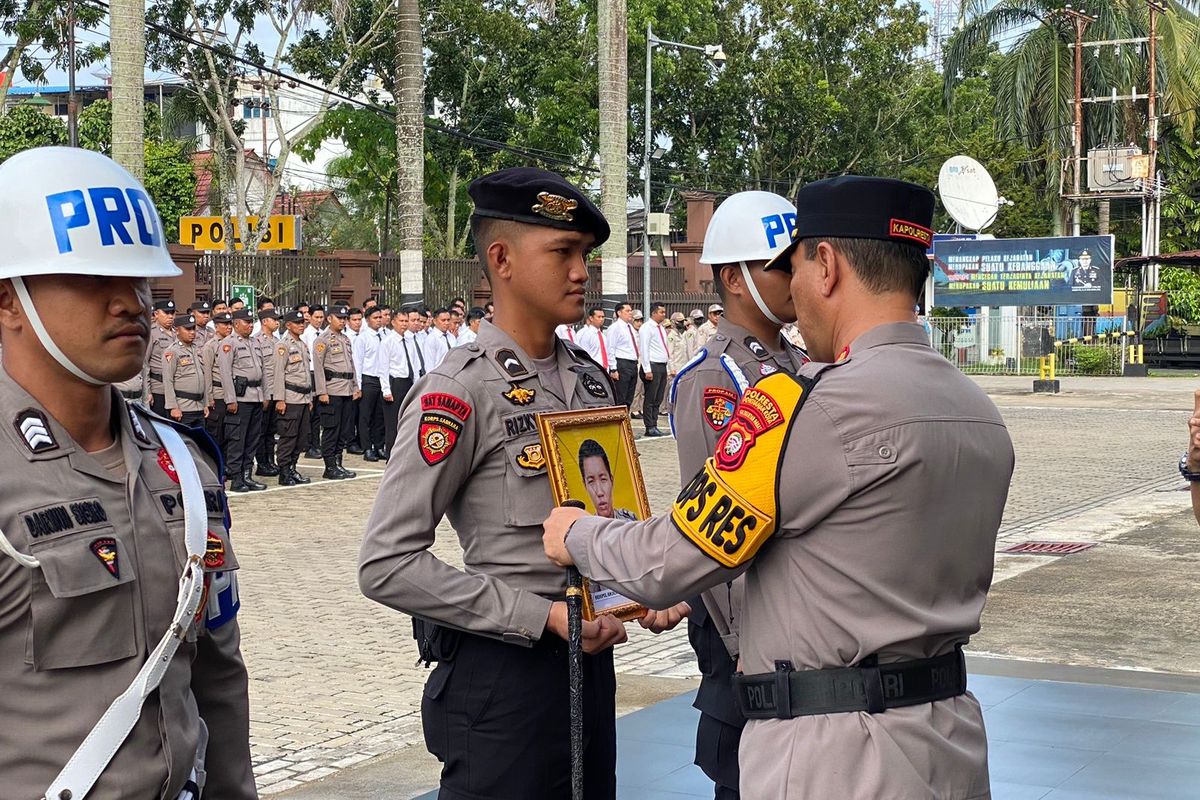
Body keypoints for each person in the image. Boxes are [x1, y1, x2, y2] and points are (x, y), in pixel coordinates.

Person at [544, 175, 1015, 799]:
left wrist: (579, 534)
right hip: (949, 740)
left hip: (837, 757)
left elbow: (676, 557)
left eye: (793, 267)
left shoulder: (804, 407)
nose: (791, 289)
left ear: (825, 267)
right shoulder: (976, 408)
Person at [360, 166, 628, 800]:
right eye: (562, 252)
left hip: (590, 664)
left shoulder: (588, 383)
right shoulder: (461, 390)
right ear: (502, 260)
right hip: (505, 676)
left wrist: (644, 588)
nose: (581, 271)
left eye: (584, 254)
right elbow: (386, 563)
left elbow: (610, 518)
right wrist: (540, 616)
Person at [0, 146, 254, 799]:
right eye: (94, 279)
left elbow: (217, 677)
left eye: (140, 279)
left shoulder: (184, 467)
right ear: (8, 301)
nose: (132, 303)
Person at [664, 189, 805, 799]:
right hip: (747, 636)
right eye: (781, 264)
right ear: (735, 278)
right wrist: (742, 645)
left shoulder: (802, 363)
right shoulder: (715, 382)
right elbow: (713, 528)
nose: (798, 275)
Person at [218, 308, 268, 492]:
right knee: (237, 439)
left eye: (251, 322)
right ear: (236, 324)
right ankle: (236, 477)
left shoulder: (255, 342)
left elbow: (263, 372)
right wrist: (231, 399)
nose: (250, 325)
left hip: (256, 395)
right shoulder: (228, 344)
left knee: (252, 438)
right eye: (246, 322)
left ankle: (247, 475)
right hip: (241, 398)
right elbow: (225, 373)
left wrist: (265, 395)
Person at [314, 305, 359, 480]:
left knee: (344, 429)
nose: (342, 321)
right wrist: (322, 392)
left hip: (346, 389)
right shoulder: (323, 340)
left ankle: (339, 463)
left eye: (344, 318)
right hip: (332, 390)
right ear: (329, 318)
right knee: (331, 429)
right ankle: (330, 466)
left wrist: (355, 386)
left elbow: (351, 364)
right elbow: (318, 368)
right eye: (339, 318)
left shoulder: (345, 339)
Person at [272, 310, 314, 486]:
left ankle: (292, 468)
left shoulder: (302, 345)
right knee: (288, 436)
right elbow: (278, 374)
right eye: (297, 323)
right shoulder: (283, 346)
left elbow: (305, 374)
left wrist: (310, 397)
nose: (301, 325)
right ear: (288, 325)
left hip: (303, 397)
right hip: (290, 398)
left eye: (303, 322)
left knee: (301, 437)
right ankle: (284, 471)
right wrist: (280, 399)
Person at [352, 305, 387, 461]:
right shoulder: (363, 338)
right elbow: (358, 363)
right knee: (366, 415)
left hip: (382, 379)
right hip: (368, 379)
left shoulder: (385, 336)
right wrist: (358, 386)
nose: (379, 320)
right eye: (375, 318)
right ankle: (367, 447)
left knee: (379, 416)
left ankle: (379, 446)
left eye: (380, 317)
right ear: (367, 320)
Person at [380, 305, 415, 460]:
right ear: (393, 322)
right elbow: (383, 367)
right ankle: (391, 455)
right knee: (393, 423)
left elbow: (414, 364)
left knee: (407, 422)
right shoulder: (388, 342)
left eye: (406, 321)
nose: (404, 324)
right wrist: (386, 390)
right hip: (395, 384)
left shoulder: (410, 340)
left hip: (408, 382)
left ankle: (405, 455)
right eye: (401, 321)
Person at [162, 312, 208, 428]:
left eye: (193, 329)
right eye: (188, 329)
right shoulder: (172, 351)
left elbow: (203, 377)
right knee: (183, 443)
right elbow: (168, 381)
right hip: (183, 408)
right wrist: (173, 407)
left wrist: (206, 403)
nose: (192, 332)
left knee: (198, 444)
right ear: (177, 330)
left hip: (199, 406)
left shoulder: (197, 349)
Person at [578, 438, 637, 520]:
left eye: (603, 479)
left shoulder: (630, 521)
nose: (599, 492)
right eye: (591, 481)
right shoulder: (588, 531)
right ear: (585, 486)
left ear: (611, 480)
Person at [254, 308, 282, 478]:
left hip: (276, 391)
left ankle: (271, 461)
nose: (277, 322)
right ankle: (262, 463)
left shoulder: (278, 341)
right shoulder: (257, 340)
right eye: (274, 319)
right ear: (265, 321)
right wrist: (264, 393)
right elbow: (259, 370)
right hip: (264, 391)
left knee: (272, 430)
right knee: (261, 430)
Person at [637, 302, 671, 436]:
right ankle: (649, 426)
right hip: (652, 365)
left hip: (661, 366)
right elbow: (644, 349)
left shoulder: (661, 328)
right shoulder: (647, 328)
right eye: (661, 312)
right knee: (650, 398)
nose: (663, 314)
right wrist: (647, 369)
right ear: (654, 313)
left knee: (658, 398)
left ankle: (655, 424)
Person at [202, 310, 234, 450]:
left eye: (230, 324)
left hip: (232, 394)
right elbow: (207, 373)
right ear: (216, 326)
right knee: (216, 434)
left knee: (230, 434)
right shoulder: (210, 346)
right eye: (225, 324)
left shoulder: (233, 343)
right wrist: (209, 398)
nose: (229, 327)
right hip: (218, 394)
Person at [142, 298, 176, 415]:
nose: (170, 316)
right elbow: (144, 363)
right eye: (166, 313)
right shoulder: (151, 333)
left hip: (176, 389)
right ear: (156, 314)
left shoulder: (177, 333)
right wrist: (147, 391)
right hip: (158, 388)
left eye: (172, 313)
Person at [606, 301, 639, 407]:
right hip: (622, 363)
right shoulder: (615, 328)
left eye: (631, 311)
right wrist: (613, 369)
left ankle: (626, 420)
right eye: (627, 311)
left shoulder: (630, 328)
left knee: (629, 397)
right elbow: (610, 348)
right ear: (619, 313)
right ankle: (619, 422)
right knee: (621, 396)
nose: (630, 313)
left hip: (633, 364)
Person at [575, 305, 611, 373]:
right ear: (591, 318)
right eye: (599, 317)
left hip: (605, 370)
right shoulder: (587, 335)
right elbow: (584, 355)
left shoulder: (603, 336)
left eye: (603, 317)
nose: (601, 319)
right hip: (593, 370)